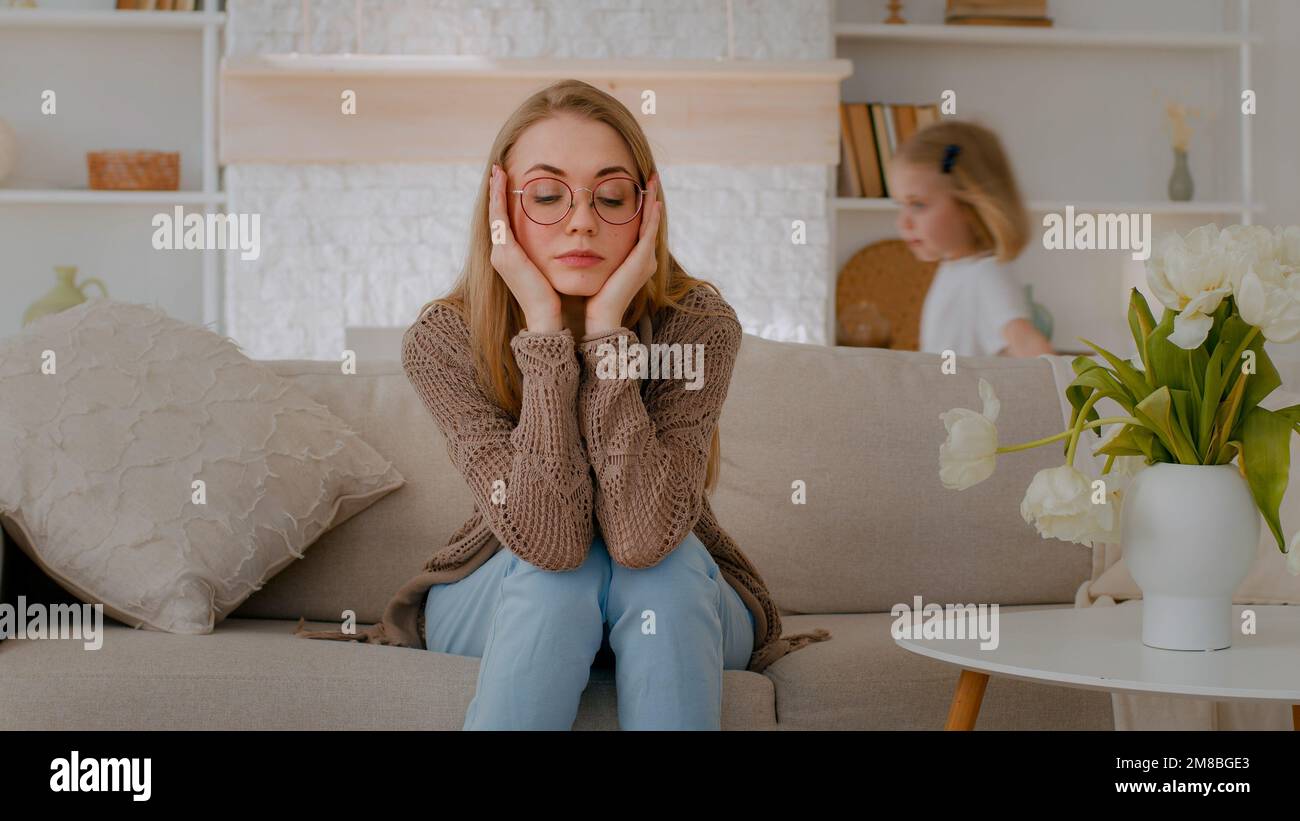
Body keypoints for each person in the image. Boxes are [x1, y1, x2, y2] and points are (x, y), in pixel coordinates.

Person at [294, 78, 830, 730]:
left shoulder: (698, 323)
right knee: (561, 577)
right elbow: (550, 541)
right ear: (500, 211)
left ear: (646, 207)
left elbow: (642, 537)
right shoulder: (444, 340)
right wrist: (545, 332)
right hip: (511, 586)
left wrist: (607, 334)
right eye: (547, 195)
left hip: (679, 590)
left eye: (610, 196)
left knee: (662, 568)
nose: (581, 219)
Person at [891, 120, 1054, 357]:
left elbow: (1028, 344)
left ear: (968, 207)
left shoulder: (986, 275)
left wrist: (1066, 390)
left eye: (918, 204)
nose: (903, 222)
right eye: (900, 205)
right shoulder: (955, 270)